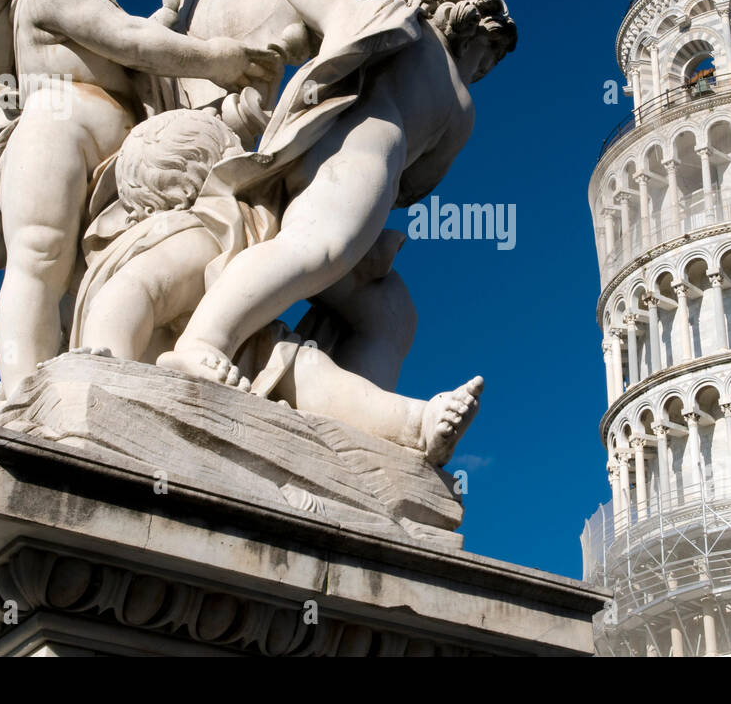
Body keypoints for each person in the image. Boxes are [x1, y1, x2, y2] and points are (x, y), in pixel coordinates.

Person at [0, 0, 280, 394]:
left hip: (118, 168)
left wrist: (171, 8)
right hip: (54, 136)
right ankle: (21, 388)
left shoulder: (99, 8)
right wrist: (219, 58)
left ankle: (80, 363)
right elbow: (132, 43)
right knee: (40, 258)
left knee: (81, 277)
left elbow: (136, 44)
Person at [157, 0, 517, 388]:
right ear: (468, 22)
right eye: (488, 54)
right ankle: (204, 341)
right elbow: (418, 182)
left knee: (389, 313)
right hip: (359, 158)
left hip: (358, 177)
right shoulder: (402, 28)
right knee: (314, 248)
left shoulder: (413, 49)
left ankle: (353, 410)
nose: (484, 69)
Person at [71, 108, 481, 465]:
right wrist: (108, 362)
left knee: (308, 369)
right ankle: (414, 423)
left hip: (238, 356)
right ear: (195, 183)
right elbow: (132, 291)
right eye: (240, 161)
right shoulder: (191, 234)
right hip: (169, 363)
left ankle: (416, 423)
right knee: (305, 369)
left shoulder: (226, 233)